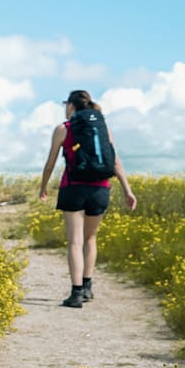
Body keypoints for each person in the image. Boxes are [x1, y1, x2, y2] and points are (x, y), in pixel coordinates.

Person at [37, 90, 136, 309]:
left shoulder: (64, 129)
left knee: (75, 241)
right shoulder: (102, 128)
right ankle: (88, 287)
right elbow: (115, 161)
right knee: (90, 239)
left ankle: (76, 293)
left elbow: (50, 162)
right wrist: (127, 190)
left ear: (71, 106)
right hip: (101, 189)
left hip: (73, 188)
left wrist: (43, 187)